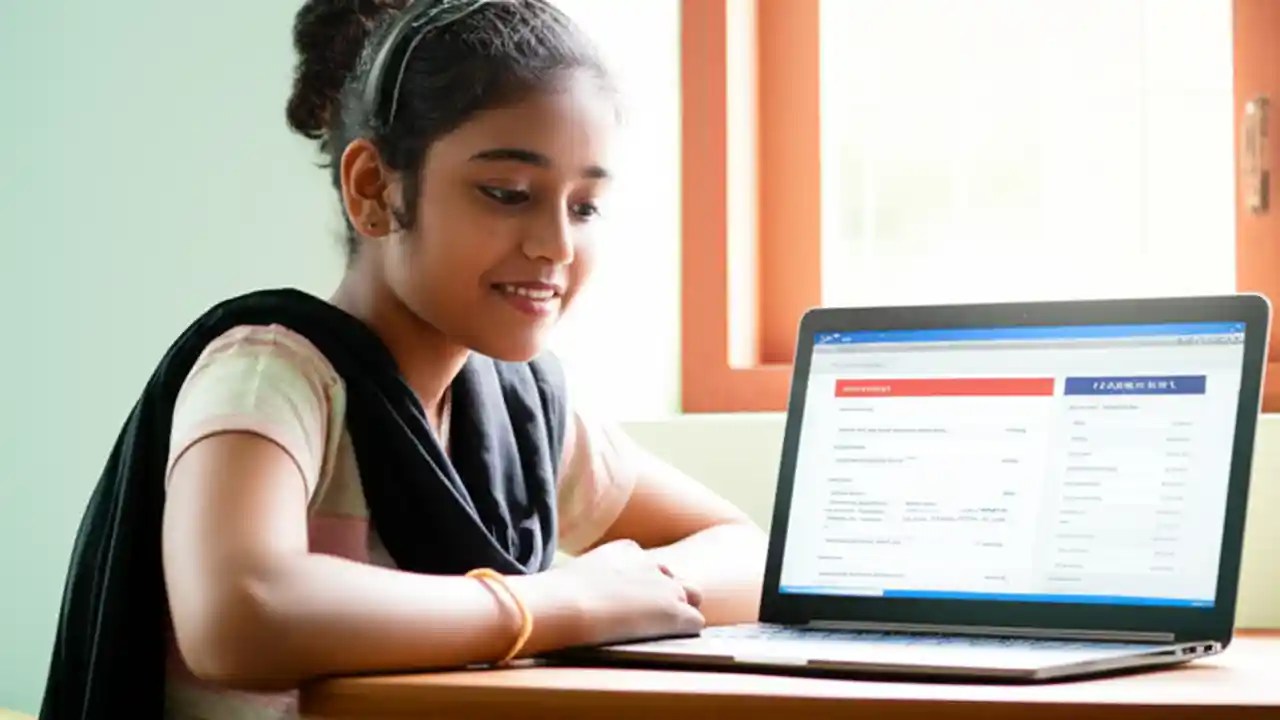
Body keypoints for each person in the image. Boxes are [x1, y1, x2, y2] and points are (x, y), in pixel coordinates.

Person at [38, 1, 766, 719]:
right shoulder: (274, 374)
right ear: (374, 189)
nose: (557, 245)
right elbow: (239, 612)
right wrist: (555, 605)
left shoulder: (523, 414)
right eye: (507, 193)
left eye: (585, 207)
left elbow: (750, 554)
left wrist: (634, 591)